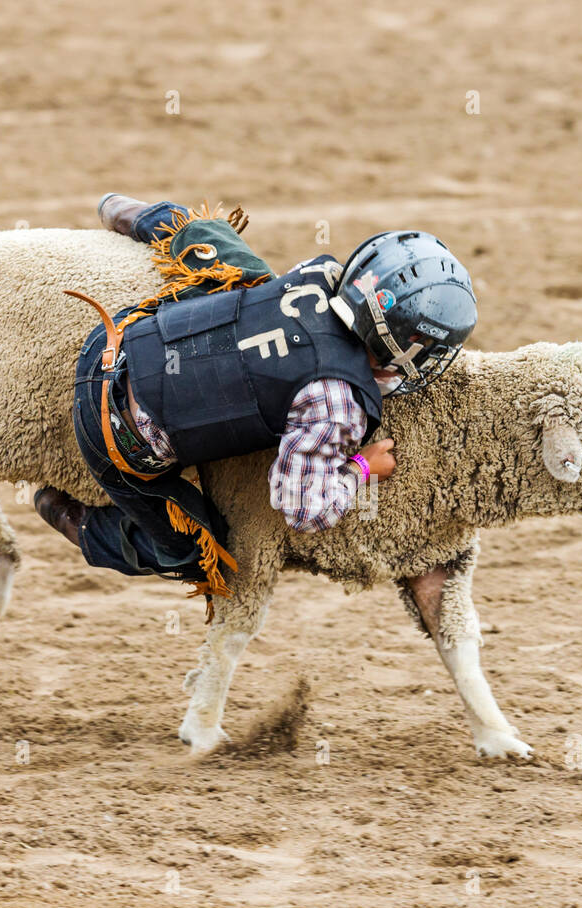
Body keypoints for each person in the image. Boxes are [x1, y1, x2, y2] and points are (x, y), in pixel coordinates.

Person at [35, 194, 477, 604]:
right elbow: (302, 508)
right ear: (404, 342)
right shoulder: (339, 402)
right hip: (110, 435)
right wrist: (362, 467)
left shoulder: (320, 273)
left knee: (237, 268)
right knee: (192, 554)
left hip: (114, 340)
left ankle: (143, 218)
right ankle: (78, 523)